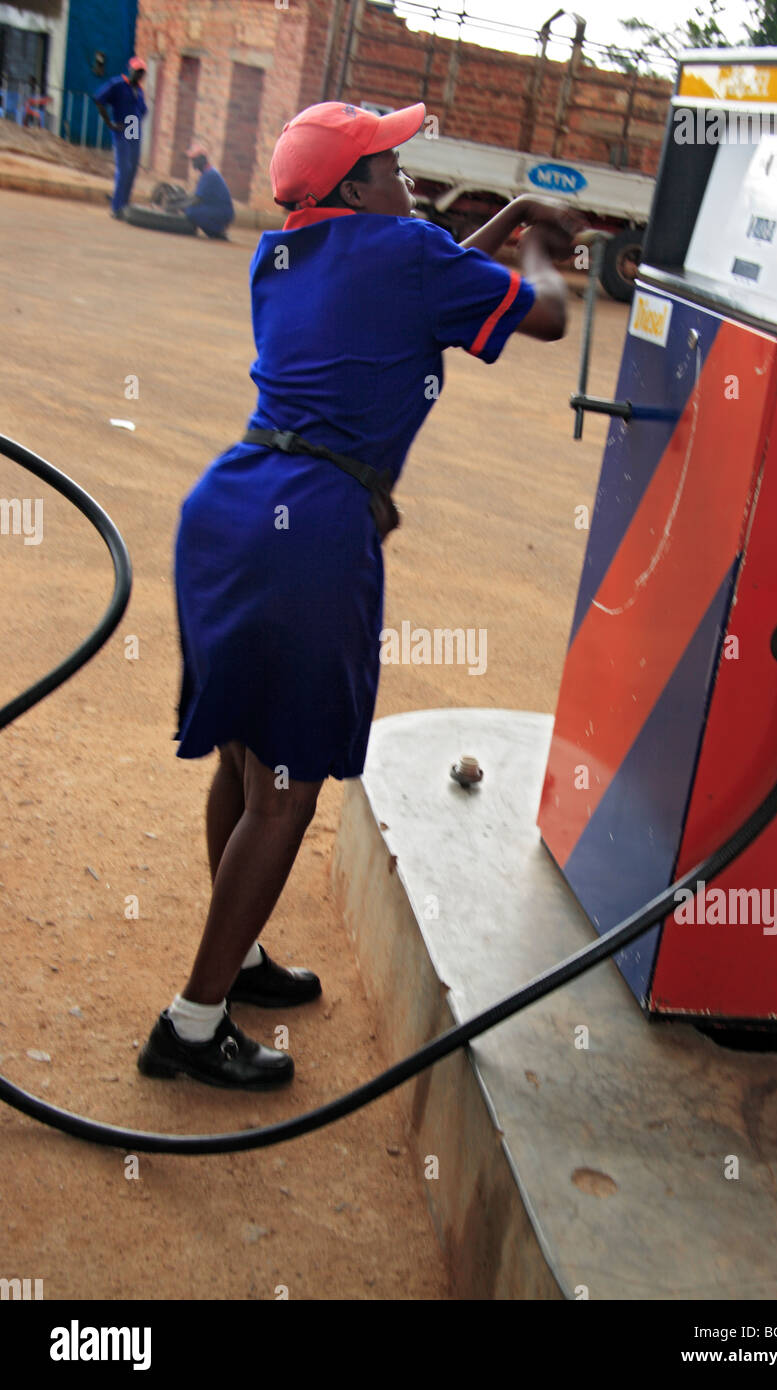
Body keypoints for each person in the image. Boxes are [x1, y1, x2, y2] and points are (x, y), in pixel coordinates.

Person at [137, 100, 582, 1090]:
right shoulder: (413, 256)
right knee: (286, 789)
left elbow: (397, 287)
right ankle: (191, 1023)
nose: (409, 178)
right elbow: (541, 314)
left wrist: (489, 234)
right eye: (392, 163)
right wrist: (547, 247)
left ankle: (236, 960)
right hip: (313, 529)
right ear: (352, 188)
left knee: (246, 760)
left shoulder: (280, 258)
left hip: (231, 506)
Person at [94, 56, 148, 218]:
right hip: (121, 127)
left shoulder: (139, 90)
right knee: (124, 169)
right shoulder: (117, 84)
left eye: (142, 73)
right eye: (137, 71)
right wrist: (109, 122)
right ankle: (116, 207)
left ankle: (124, 203)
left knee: (132, 170)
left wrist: (136, 121)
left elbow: (143, 110)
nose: (139, 75)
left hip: (134, 128)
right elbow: (98, 100)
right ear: (130, 70)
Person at [175, 142, 235, 240]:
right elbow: (196, 196)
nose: (193, 163)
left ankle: (216, 231)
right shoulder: (208, 173)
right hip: (218, 210)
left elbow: (196, 199)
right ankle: (215, 231)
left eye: (194, 160)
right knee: (190, 208)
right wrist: (179, 200)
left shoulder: (210, 175)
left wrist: (177, 206)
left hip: (222, 212)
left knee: (191, 211)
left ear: (201, 160)